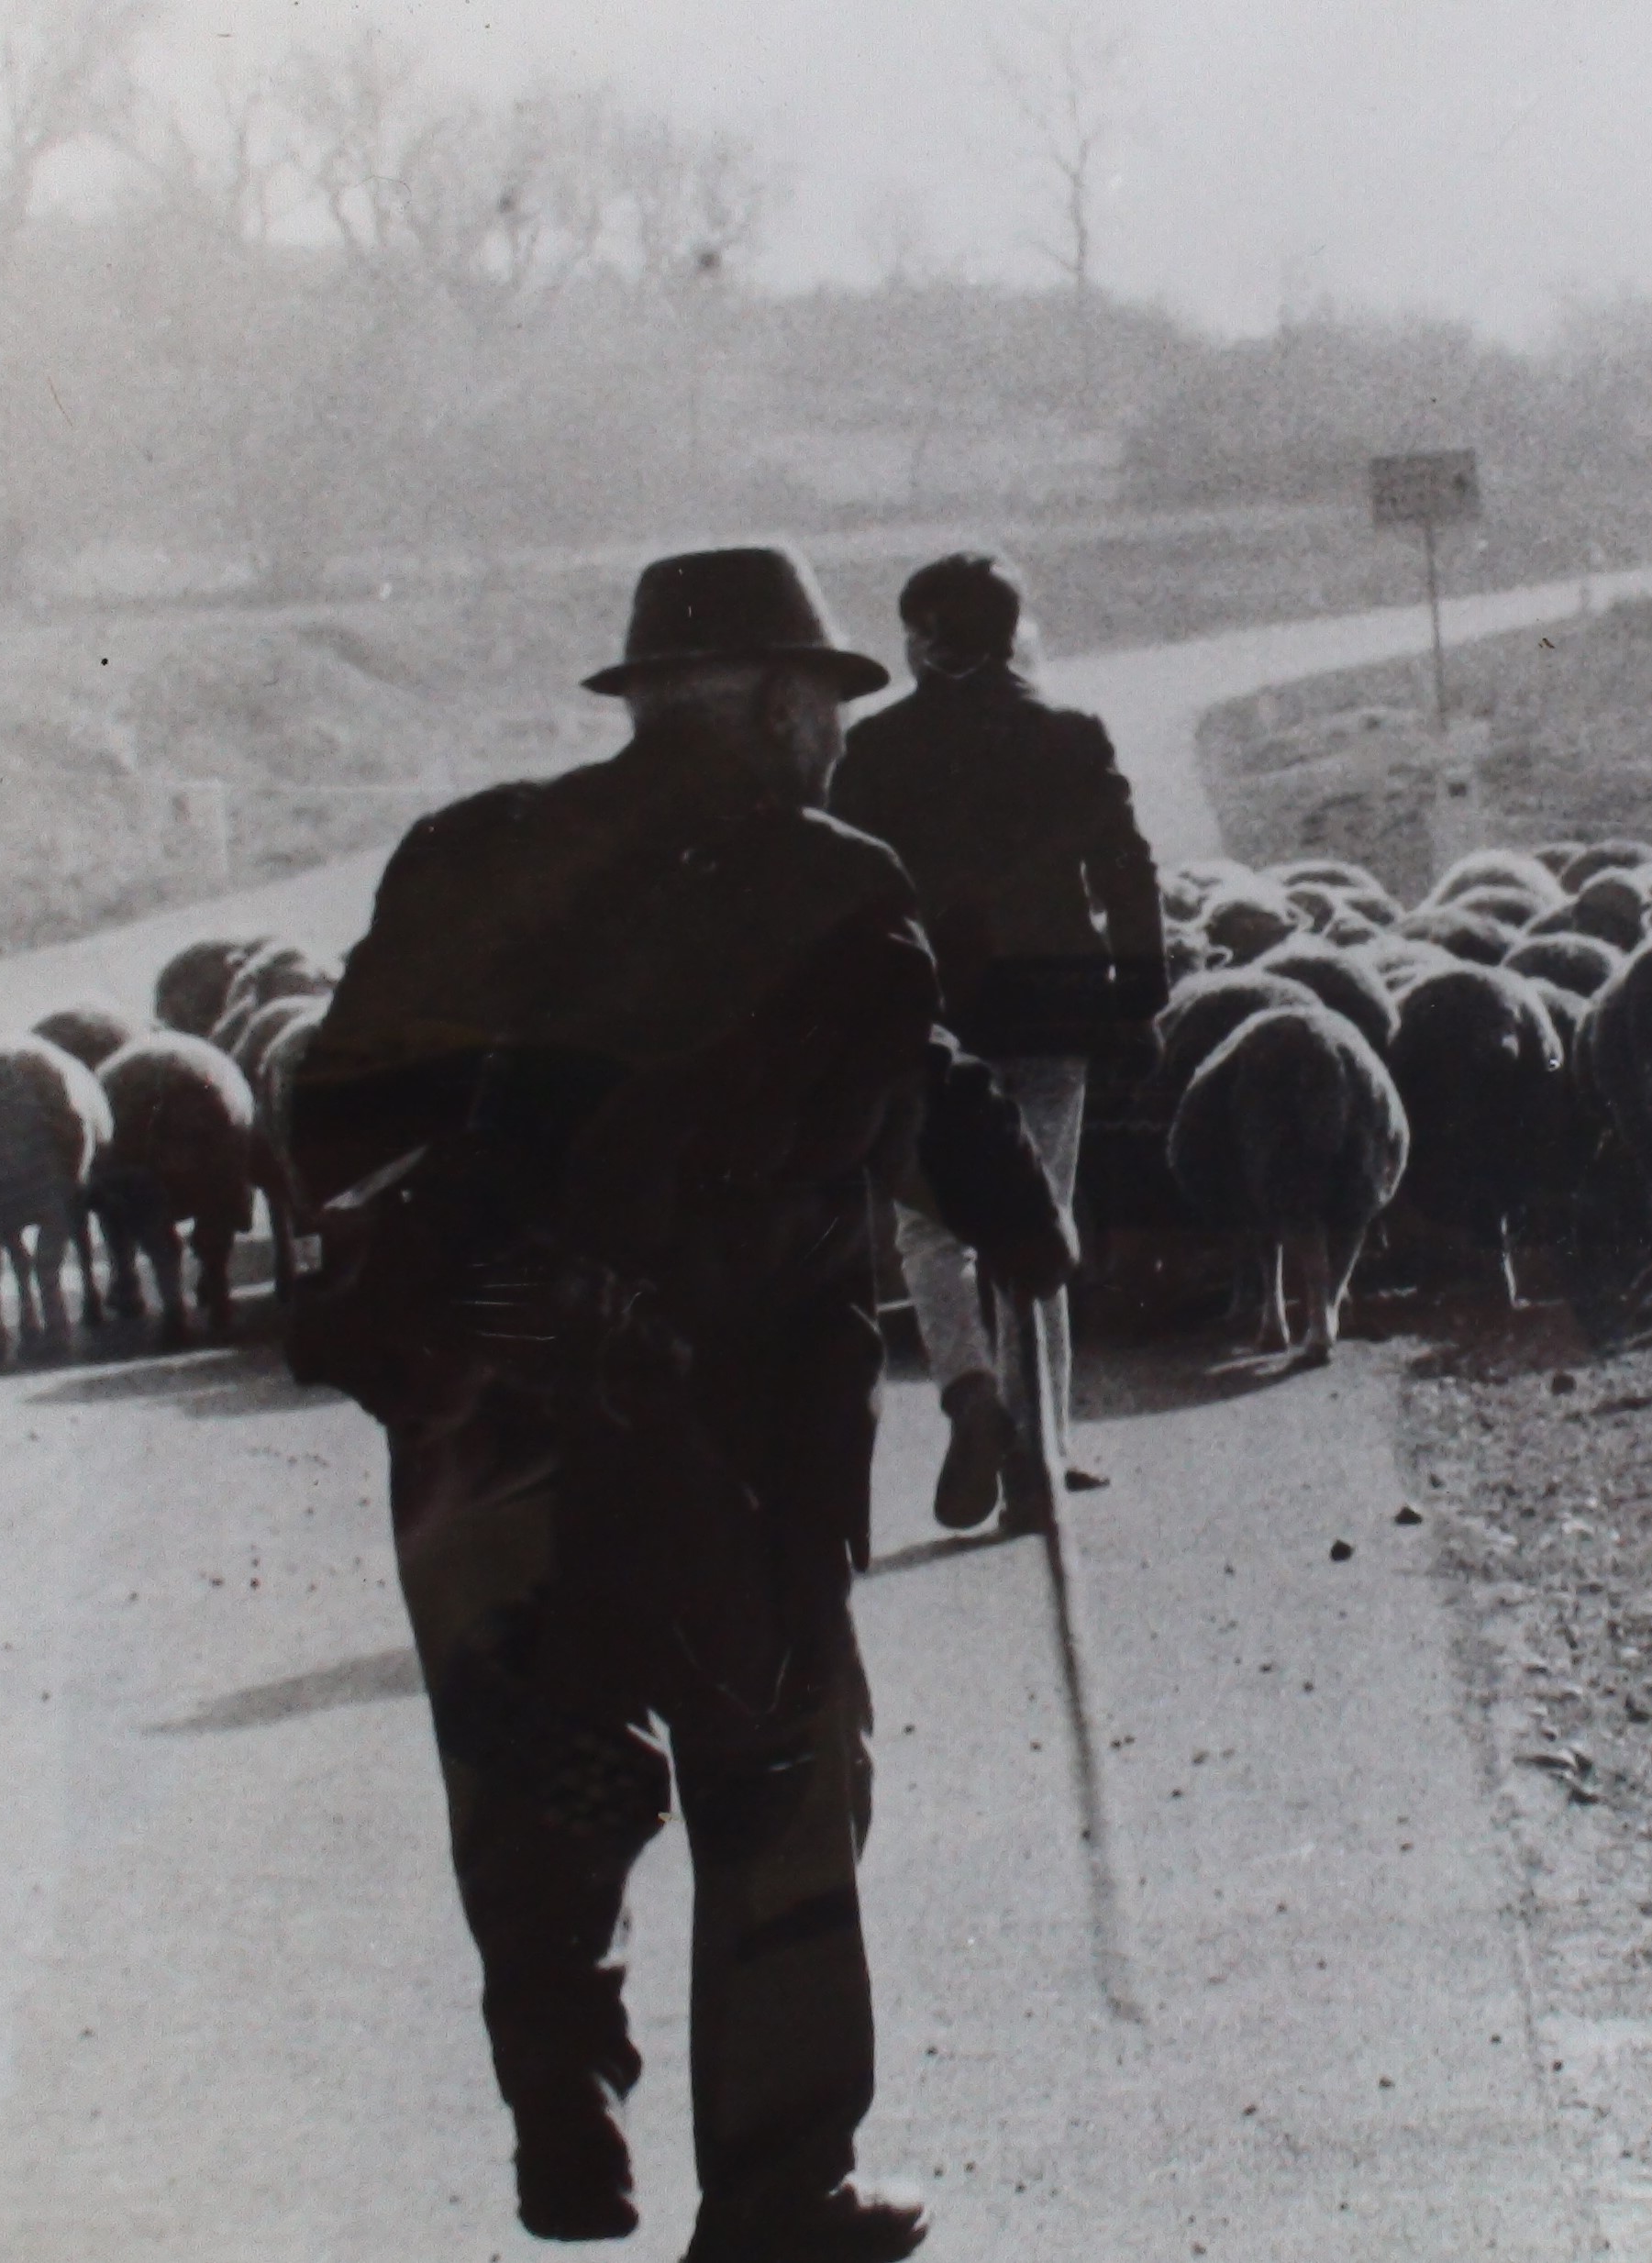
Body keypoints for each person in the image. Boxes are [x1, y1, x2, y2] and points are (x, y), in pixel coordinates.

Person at [282, 546, 1073, 2263]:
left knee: (529, 1758)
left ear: (650, 705)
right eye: (829, 714)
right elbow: (886, 1090)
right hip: (733, 1427)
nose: (838, 745)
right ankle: (782, 2195)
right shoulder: (834, 879)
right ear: (786, 710)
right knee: (776, 1774)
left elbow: (330, 1111)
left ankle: (564, 2107)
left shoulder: (469, 853)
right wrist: (1014, 1205)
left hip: (483, 1412)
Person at [828, 553, 1164, 1534]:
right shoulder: (1071, 733)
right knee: (1039, 1220)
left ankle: (973, 1396)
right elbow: (1128, 869)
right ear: (1010, 631)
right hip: (1055, 1010)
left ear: (928, 636)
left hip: (929, 1013)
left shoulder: (878, 747)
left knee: (933, 1229)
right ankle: (1042, 1459)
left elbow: (850, 887)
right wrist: (1140, 999)